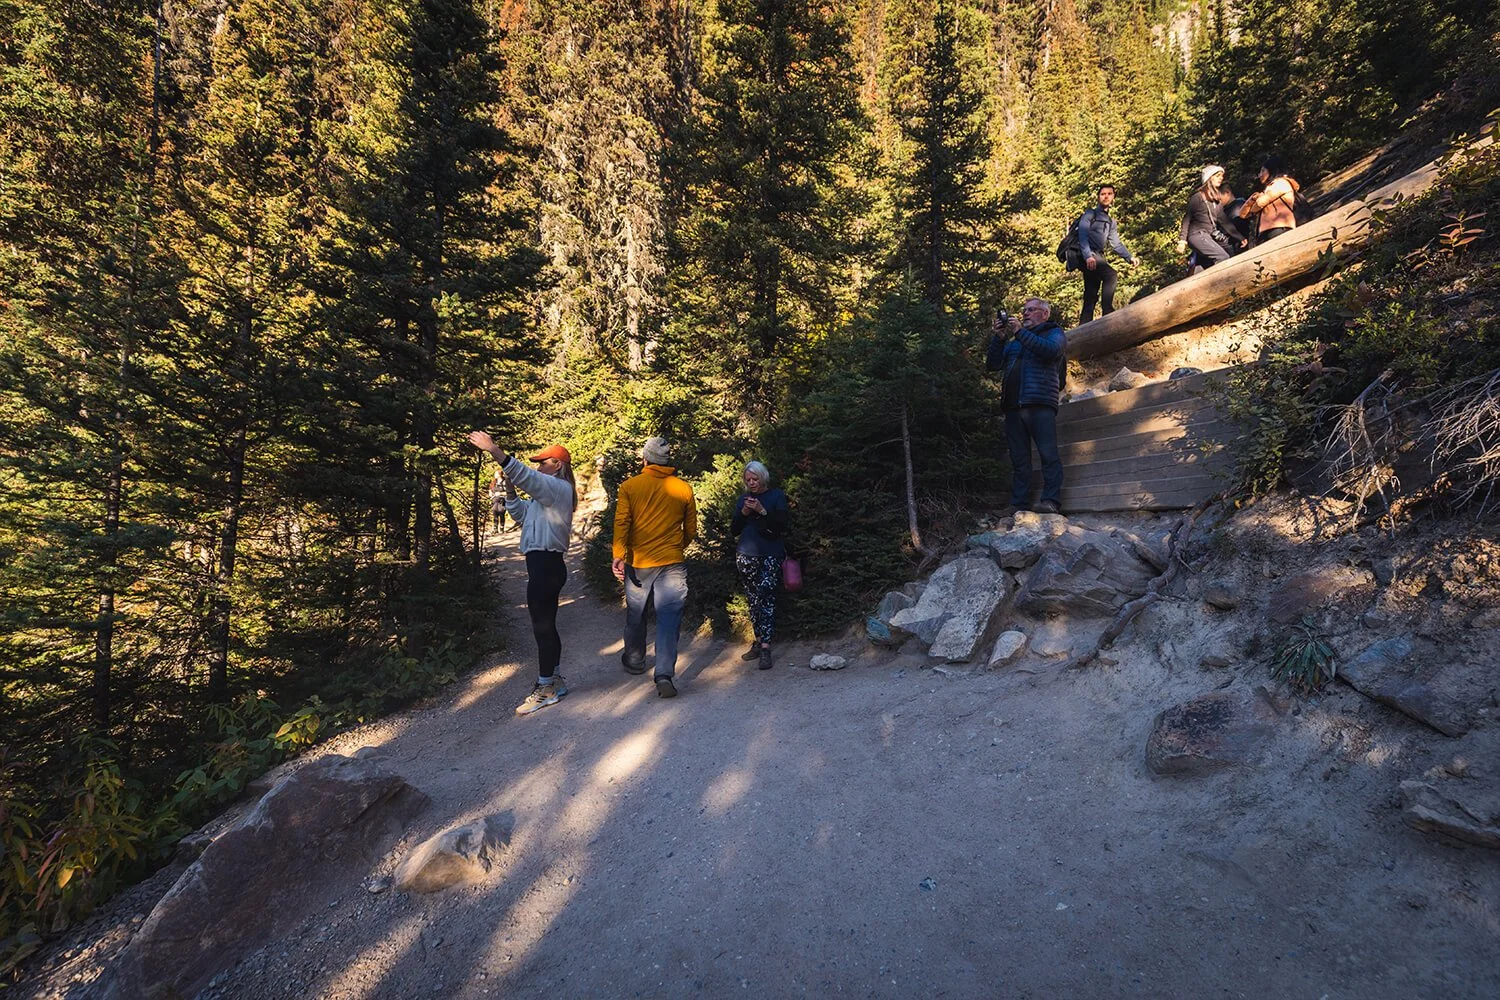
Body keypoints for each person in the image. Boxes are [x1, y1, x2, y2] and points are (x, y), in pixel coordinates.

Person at [467, 432, 577, 716]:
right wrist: (512, 492)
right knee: (547, 624)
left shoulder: (557, 487)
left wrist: (495, 450)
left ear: (557, 465)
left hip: (545, 565)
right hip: (545, 565)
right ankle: (554, 681)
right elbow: (521, 514)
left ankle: (544, 687)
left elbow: (528, 477)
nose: (539, 467)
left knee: (542, 626)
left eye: (543, 463)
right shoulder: (549, 497)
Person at [612, 436, 698, 698]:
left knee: (636, 613)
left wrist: (618, 554)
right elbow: (691, 529)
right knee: (669, 618)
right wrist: (677, 546)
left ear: (645, 459)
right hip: (672, 561)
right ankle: (663, 674)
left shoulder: (630, 486)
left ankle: (635, 660)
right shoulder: (683, 488)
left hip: (638, 562)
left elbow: (622, 522)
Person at [987, 298, 1067, 515]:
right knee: (1019, 457)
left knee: (1048, 453)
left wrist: (1020, 333)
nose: (1025, 313)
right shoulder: (1015, 342)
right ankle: (1019, 503)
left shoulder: (1054, 333)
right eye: (1024, 310)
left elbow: (1051, 351)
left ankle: (1051, 501)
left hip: (1040, 402)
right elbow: (993, 365)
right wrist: (999, 339)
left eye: (1031, 310)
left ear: (1045, 314)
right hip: (1013, 406)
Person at [730, 461, 789, 671]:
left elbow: (782, 526)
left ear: (763, 478)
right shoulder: (743, 499)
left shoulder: (777, 496)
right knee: (753, 599)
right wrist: (744, 513)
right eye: (748, 480)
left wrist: (763, 511)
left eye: (755, 479)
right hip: (746, 555)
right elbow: (734, 529)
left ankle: (766, 646)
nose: (752, 483)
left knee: (767, 596)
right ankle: (758, 639)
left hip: (770, 554)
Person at [1077, 184, 1137, 322]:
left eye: (1109, 194)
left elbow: (1115, 243)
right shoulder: (1090, 214)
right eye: (1103, 194)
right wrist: (1088, 256)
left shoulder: (1110, 221)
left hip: (1097, 255)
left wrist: (1130, 258)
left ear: (1113, 197)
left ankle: (1084, 327)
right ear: (1098, 197)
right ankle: (1107, 312)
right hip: (1088, 255)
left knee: (1091, 294)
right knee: (1111, 275)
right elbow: (1082, 235)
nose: (1106, 196)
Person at [1178, 165, 1245, 271]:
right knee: (1222, 257)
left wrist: (1240, 237)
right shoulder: (1197, 197)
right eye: (1217, 176)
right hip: (1197, 235)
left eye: (1222, 176)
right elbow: (1187, 219)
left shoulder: (1215, 201)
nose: (1221, 178)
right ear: (1209, 178)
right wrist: (1182, 241)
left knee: (1231, 250)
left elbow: (1224, 222)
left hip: (1208, 235)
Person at [1239, 155, 1301, 245]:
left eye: (1263, 171)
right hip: (1266, 231)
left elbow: (1261, 202)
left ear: (1272, 170)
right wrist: (1252, 199)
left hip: (1280, 228)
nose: (1260, 175)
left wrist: (1254, 208)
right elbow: (1242, 214)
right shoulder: (1267, 190)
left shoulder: (1281, 183)